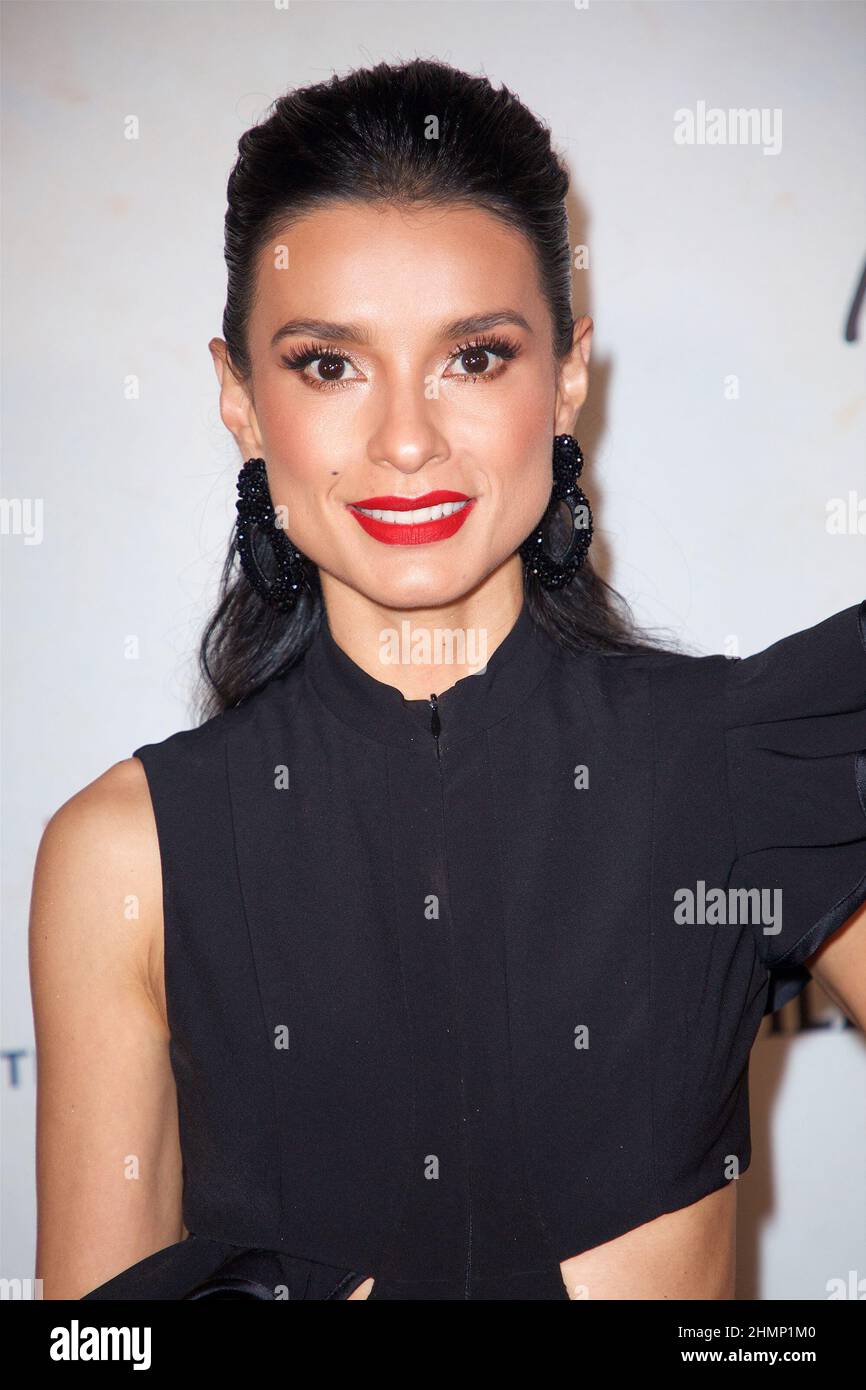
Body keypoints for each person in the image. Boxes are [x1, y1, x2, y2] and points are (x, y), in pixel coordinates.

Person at [30, 58, 866, 1302]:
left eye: (473, 357)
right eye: (328, 364)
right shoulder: (127, 855)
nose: (407, 439)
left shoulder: (735, 766)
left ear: (567, 373)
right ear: (238, 399)